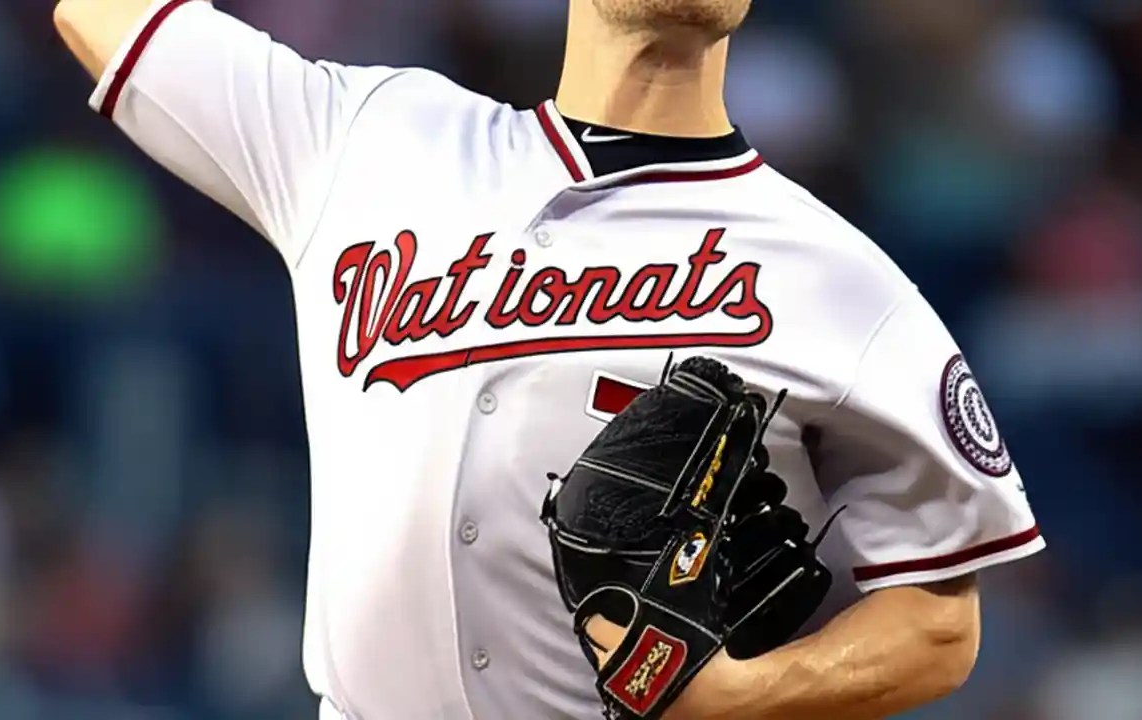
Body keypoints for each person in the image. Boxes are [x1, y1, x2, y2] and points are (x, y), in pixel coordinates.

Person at [53, 1, 1046, 718]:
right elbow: (102, 15)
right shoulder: (367, 136)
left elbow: (938, 625)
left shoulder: (833, 275)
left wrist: (744, 697)